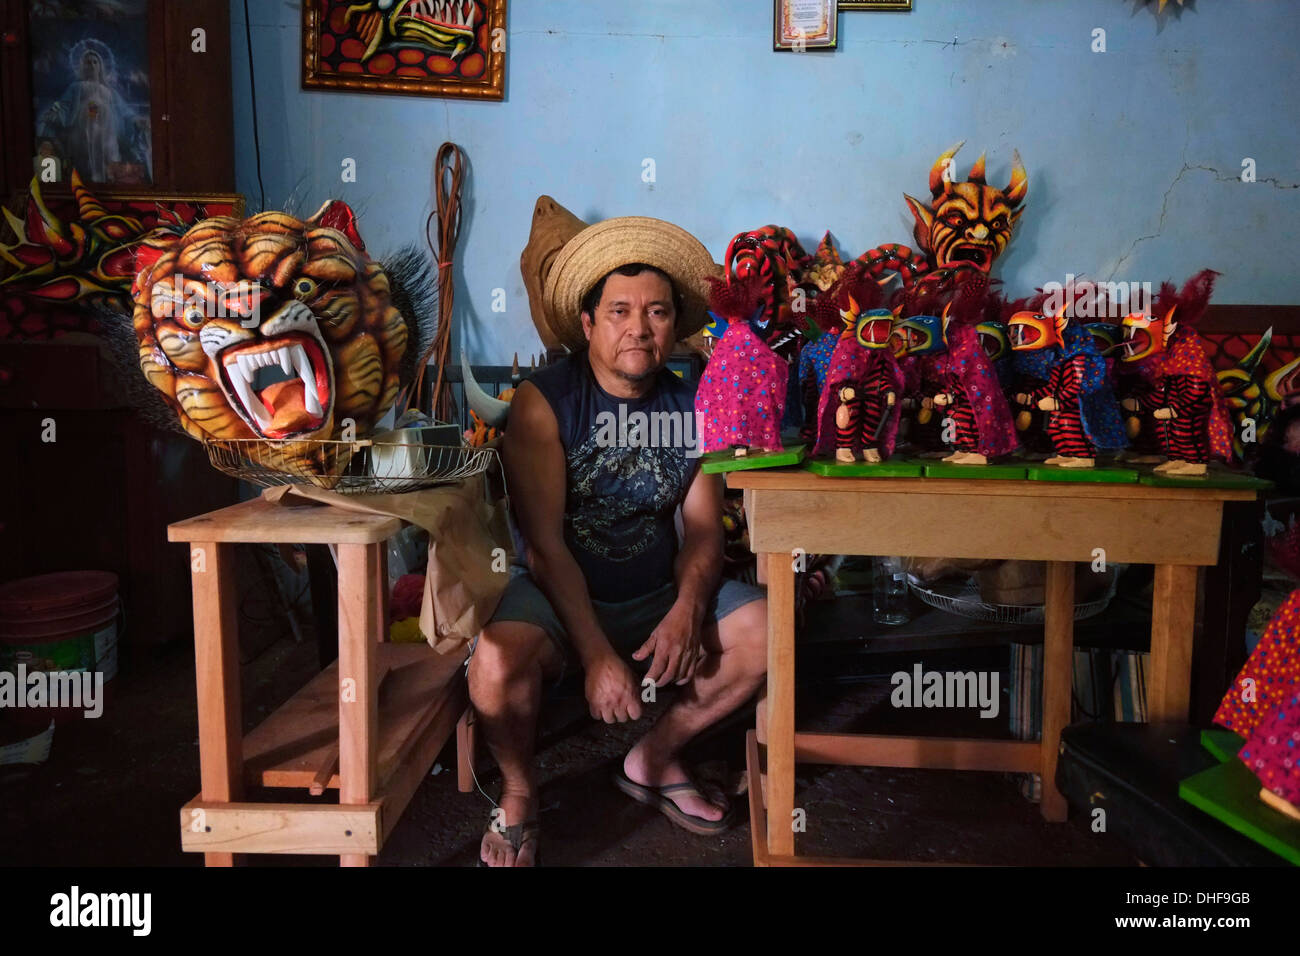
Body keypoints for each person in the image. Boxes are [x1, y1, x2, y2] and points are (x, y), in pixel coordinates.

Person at [468, 217, 768, 866]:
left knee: (769, 631)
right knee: (492, 665)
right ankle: (520, 794)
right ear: (587, 323)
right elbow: (544, 546)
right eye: (620, 310)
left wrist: (688, 612)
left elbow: (704, 531)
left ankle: (654, 759)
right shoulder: (543, 402)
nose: (640, 327)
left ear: (673, 324)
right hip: (558, 595)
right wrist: (598, 655)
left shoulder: (694, 408)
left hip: (656, 591)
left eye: (657, 311)